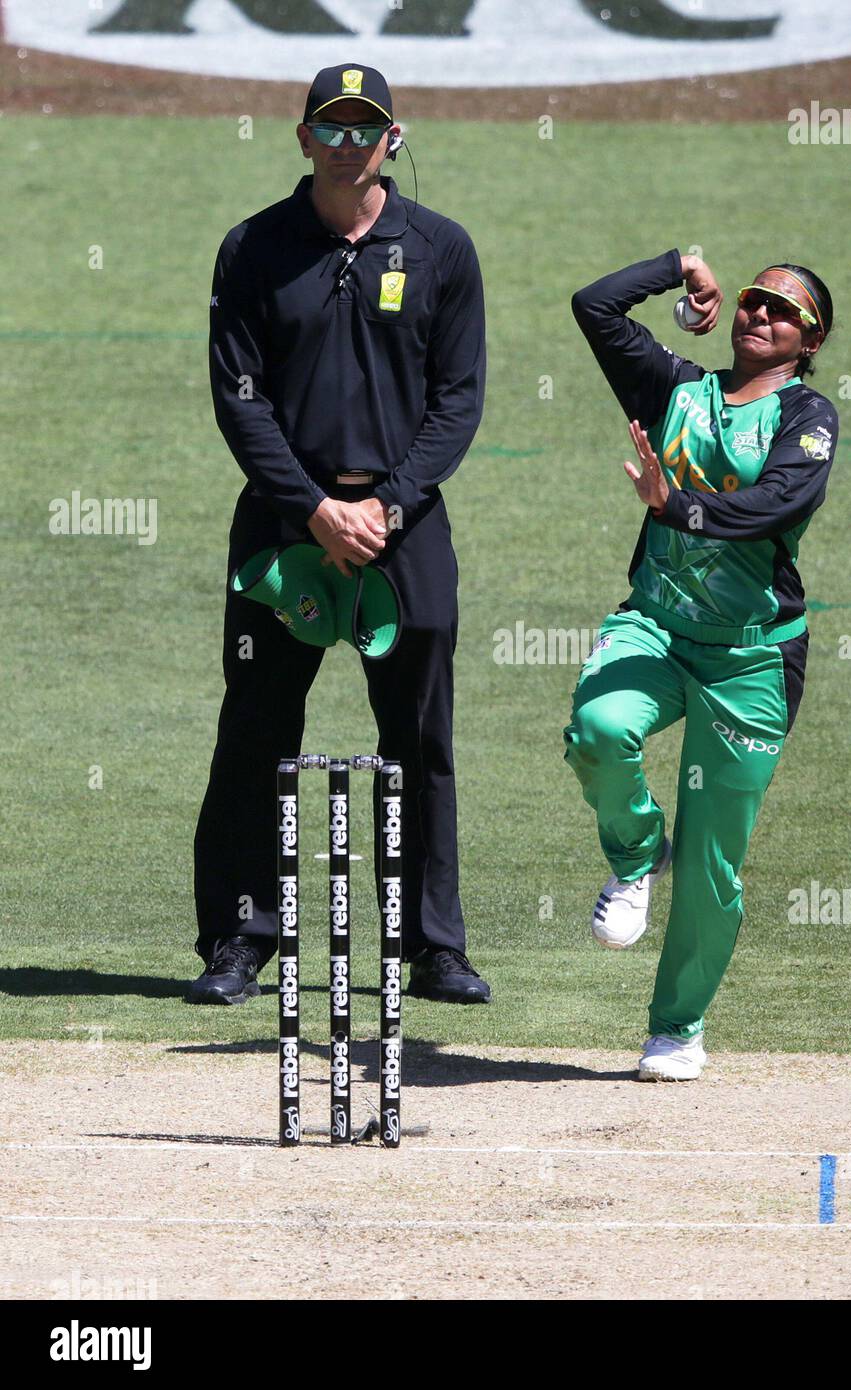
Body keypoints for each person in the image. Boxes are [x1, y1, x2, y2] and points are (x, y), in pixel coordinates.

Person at [188, 64, 490, 1006]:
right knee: (256, 731)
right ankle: (238, 940)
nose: (350, 142)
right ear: (304, 138)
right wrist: (315, 510)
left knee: (420, 739)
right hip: (284, 524)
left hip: (405, 528)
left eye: (367, 127)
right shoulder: (253, 248)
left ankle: (431, 946)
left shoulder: (441, 248)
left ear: (393, 139)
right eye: (333, 126)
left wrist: (386, 508)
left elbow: (457, 400)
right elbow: (240, 403)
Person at [566, 250, 837, 1078]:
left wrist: (673, 503)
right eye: (753, 302)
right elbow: (594, 307)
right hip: (654, 624)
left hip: (750, 659)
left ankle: (676, 1027)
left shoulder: (808, 416)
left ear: (808, 340)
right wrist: (681, 267)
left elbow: (775, 503)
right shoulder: (677, 388)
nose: (759, 316)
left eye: (781, 312)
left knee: (713, 862)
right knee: (598, 726)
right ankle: (638, 851)